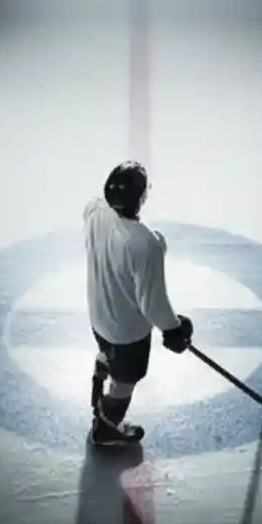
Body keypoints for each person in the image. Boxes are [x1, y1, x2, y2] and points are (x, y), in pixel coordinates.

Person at [82, 160, 194, 447]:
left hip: (99, 314)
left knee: (108, 351)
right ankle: (106, 429)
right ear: (141, 197)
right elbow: (152, 304)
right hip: (127, 330)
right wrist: (174, 328)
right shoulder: (145, 243)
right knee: (126, 380)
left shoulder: (94, 212)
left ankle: (104, 371)